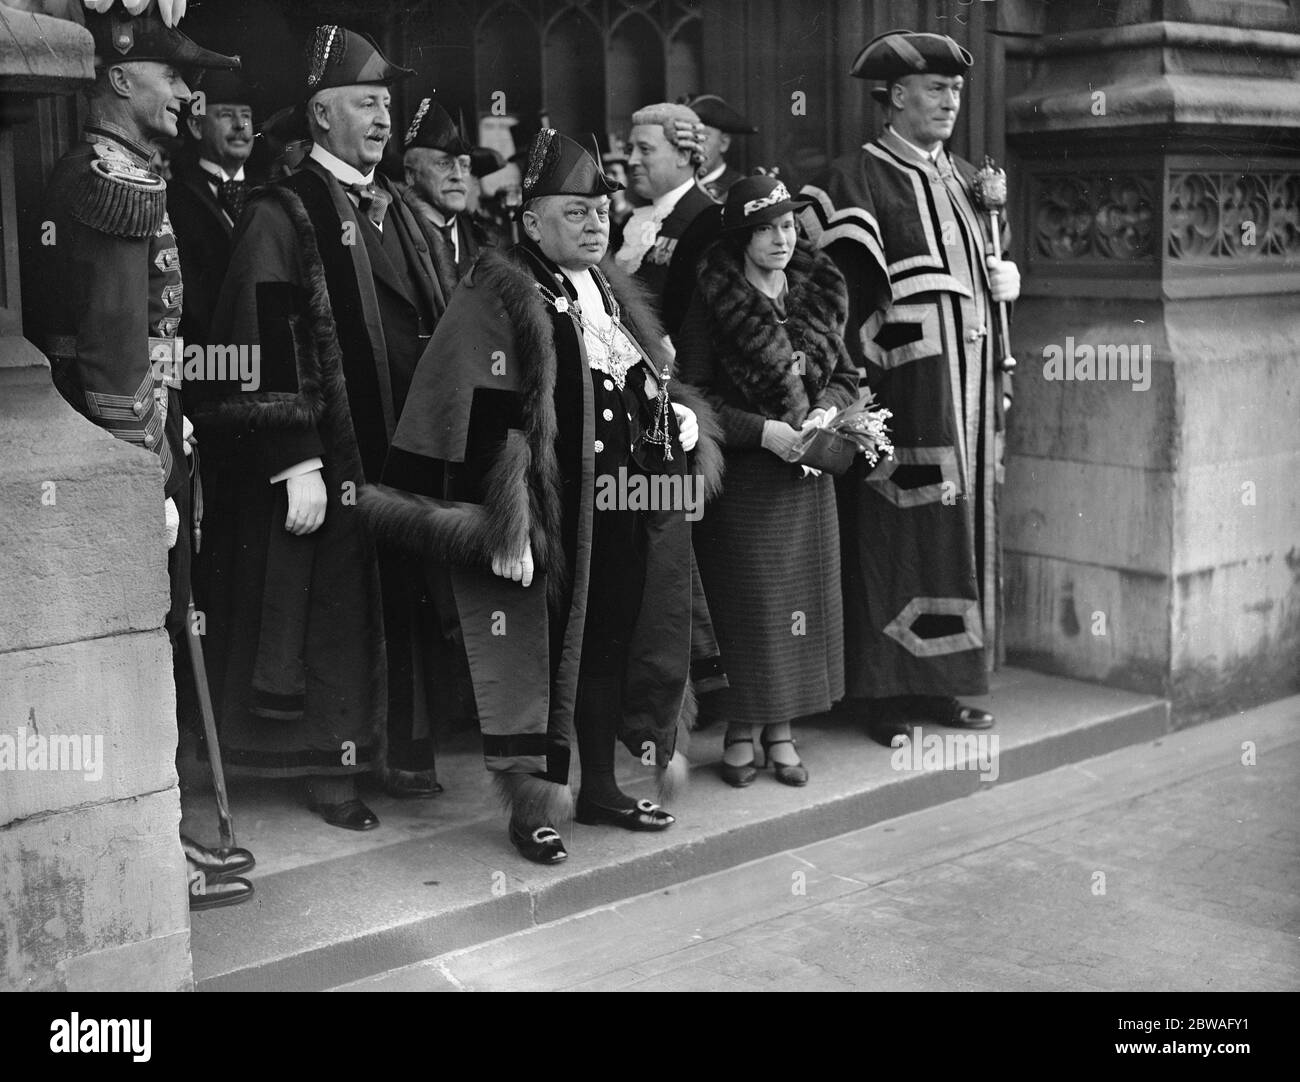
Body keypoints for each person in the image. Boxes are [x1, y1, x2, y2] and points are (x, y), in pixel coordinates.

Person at [361, 130, 723, 864]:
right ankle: (531, 810)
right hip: (553, 515)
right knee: (540, 659)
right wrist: (507, 523)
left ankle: (599, 790)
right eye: (576, 214)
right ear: (530, 222)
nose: (596, 227)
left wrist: (676, 413)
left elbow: (637, 380)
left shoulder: (611, 289)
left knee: (611, 641)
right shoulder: (500, 292)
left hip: (624, 505)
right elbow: (480, 415)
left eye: (602, 212)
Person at [190, 24, 448, 830]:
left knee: (400, 598)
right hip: (329, 455)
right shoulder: (284, 210)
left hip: (402, 451)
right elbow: (260, 336)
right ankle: (330, 771)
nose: (381, 118)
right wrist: (292, 456)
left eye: (385, 104)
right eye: (365, 103)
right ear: (320, 115)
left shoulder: (402, 209)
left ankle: (399, 752)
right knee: (335, 609)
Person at [33, 3, 253, 909]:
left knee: (164, 636)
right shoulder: (105, 174)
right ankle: (149, 850)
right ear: (122, 79)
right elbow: (115, 340)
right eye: (172, 76)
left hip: (155, 436)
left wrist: (174, 430)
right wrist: (140, 463)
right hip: (117, 449)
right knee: (134, 650)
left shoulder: (133, 168)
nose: (188, 92)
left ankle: (164, 837)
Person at [800, 30, 1021, 745]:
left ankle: (945, 683)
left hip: (971, 391)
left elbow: (982, 275)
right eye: (935, 89)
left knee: (957, 529)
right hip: (900, 389)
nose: (951, 101)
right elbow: (830, 302)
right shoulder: (853, 178)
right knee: (894, 535)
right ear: (894, 98)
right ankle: (882, 694)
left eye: (956, 90)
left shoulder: (965, 177)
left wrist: (1008, 286)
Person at [677, 176, 858, 786]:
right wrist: (762, 432)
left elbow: (849, 375)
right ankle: (738, 731)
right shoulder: (716, 296)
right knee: (749, 609)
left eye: (787, 225)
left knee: (795, 609)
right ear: (742, 236)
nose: (781, 238)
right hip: (751, 482)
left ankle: (780, 732)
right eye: (765, 228)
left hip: (809, 479)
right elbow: (694, 394)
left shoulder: (820, 290)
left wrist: (825, 411)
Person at [614, 101, 717, 342]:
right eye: (631, 149)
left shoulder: (709, 220)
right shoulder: (631, 221)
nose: (632, 160)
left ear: (682, 155)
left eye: (645, 149)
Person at [167, 68, 255, 347]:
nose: (241, 126)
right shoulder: (174, 200)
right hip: (207, 364)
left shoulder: (272, 194)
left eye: (247, 116)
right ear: (196, 126)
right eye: (227, 115)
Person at [400, 97, 494, 298]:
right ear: (411, 175)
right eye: (444, 164)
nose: (458, 176)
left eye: (464, 165)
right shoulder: (398, 233)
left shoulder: (486, 239)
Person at [683, 93, 757, 201]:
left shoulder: (742, 191)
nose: (693, 145)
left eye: (702, 136)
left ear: (723, 143)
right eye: (687, 136)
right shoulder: (674, 187)